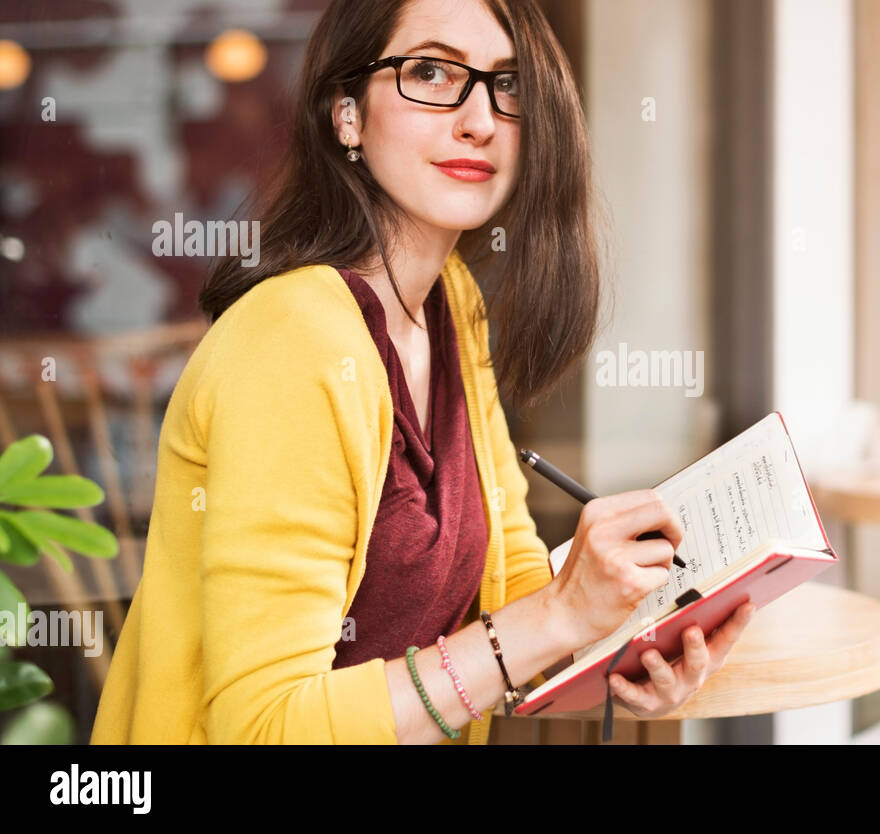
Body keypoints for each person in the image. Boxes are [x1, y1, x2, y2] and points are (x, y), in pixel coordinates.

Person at [90, 0, 754, 745]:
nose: (479, 119)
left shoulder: (450, 300)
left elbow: (510, 605)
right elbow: (264, 729)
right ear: (346, 115)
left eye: (509, 85)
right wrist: (558, 615)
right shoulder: (293, 339)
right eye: (431, 72)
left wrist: (627, 648)